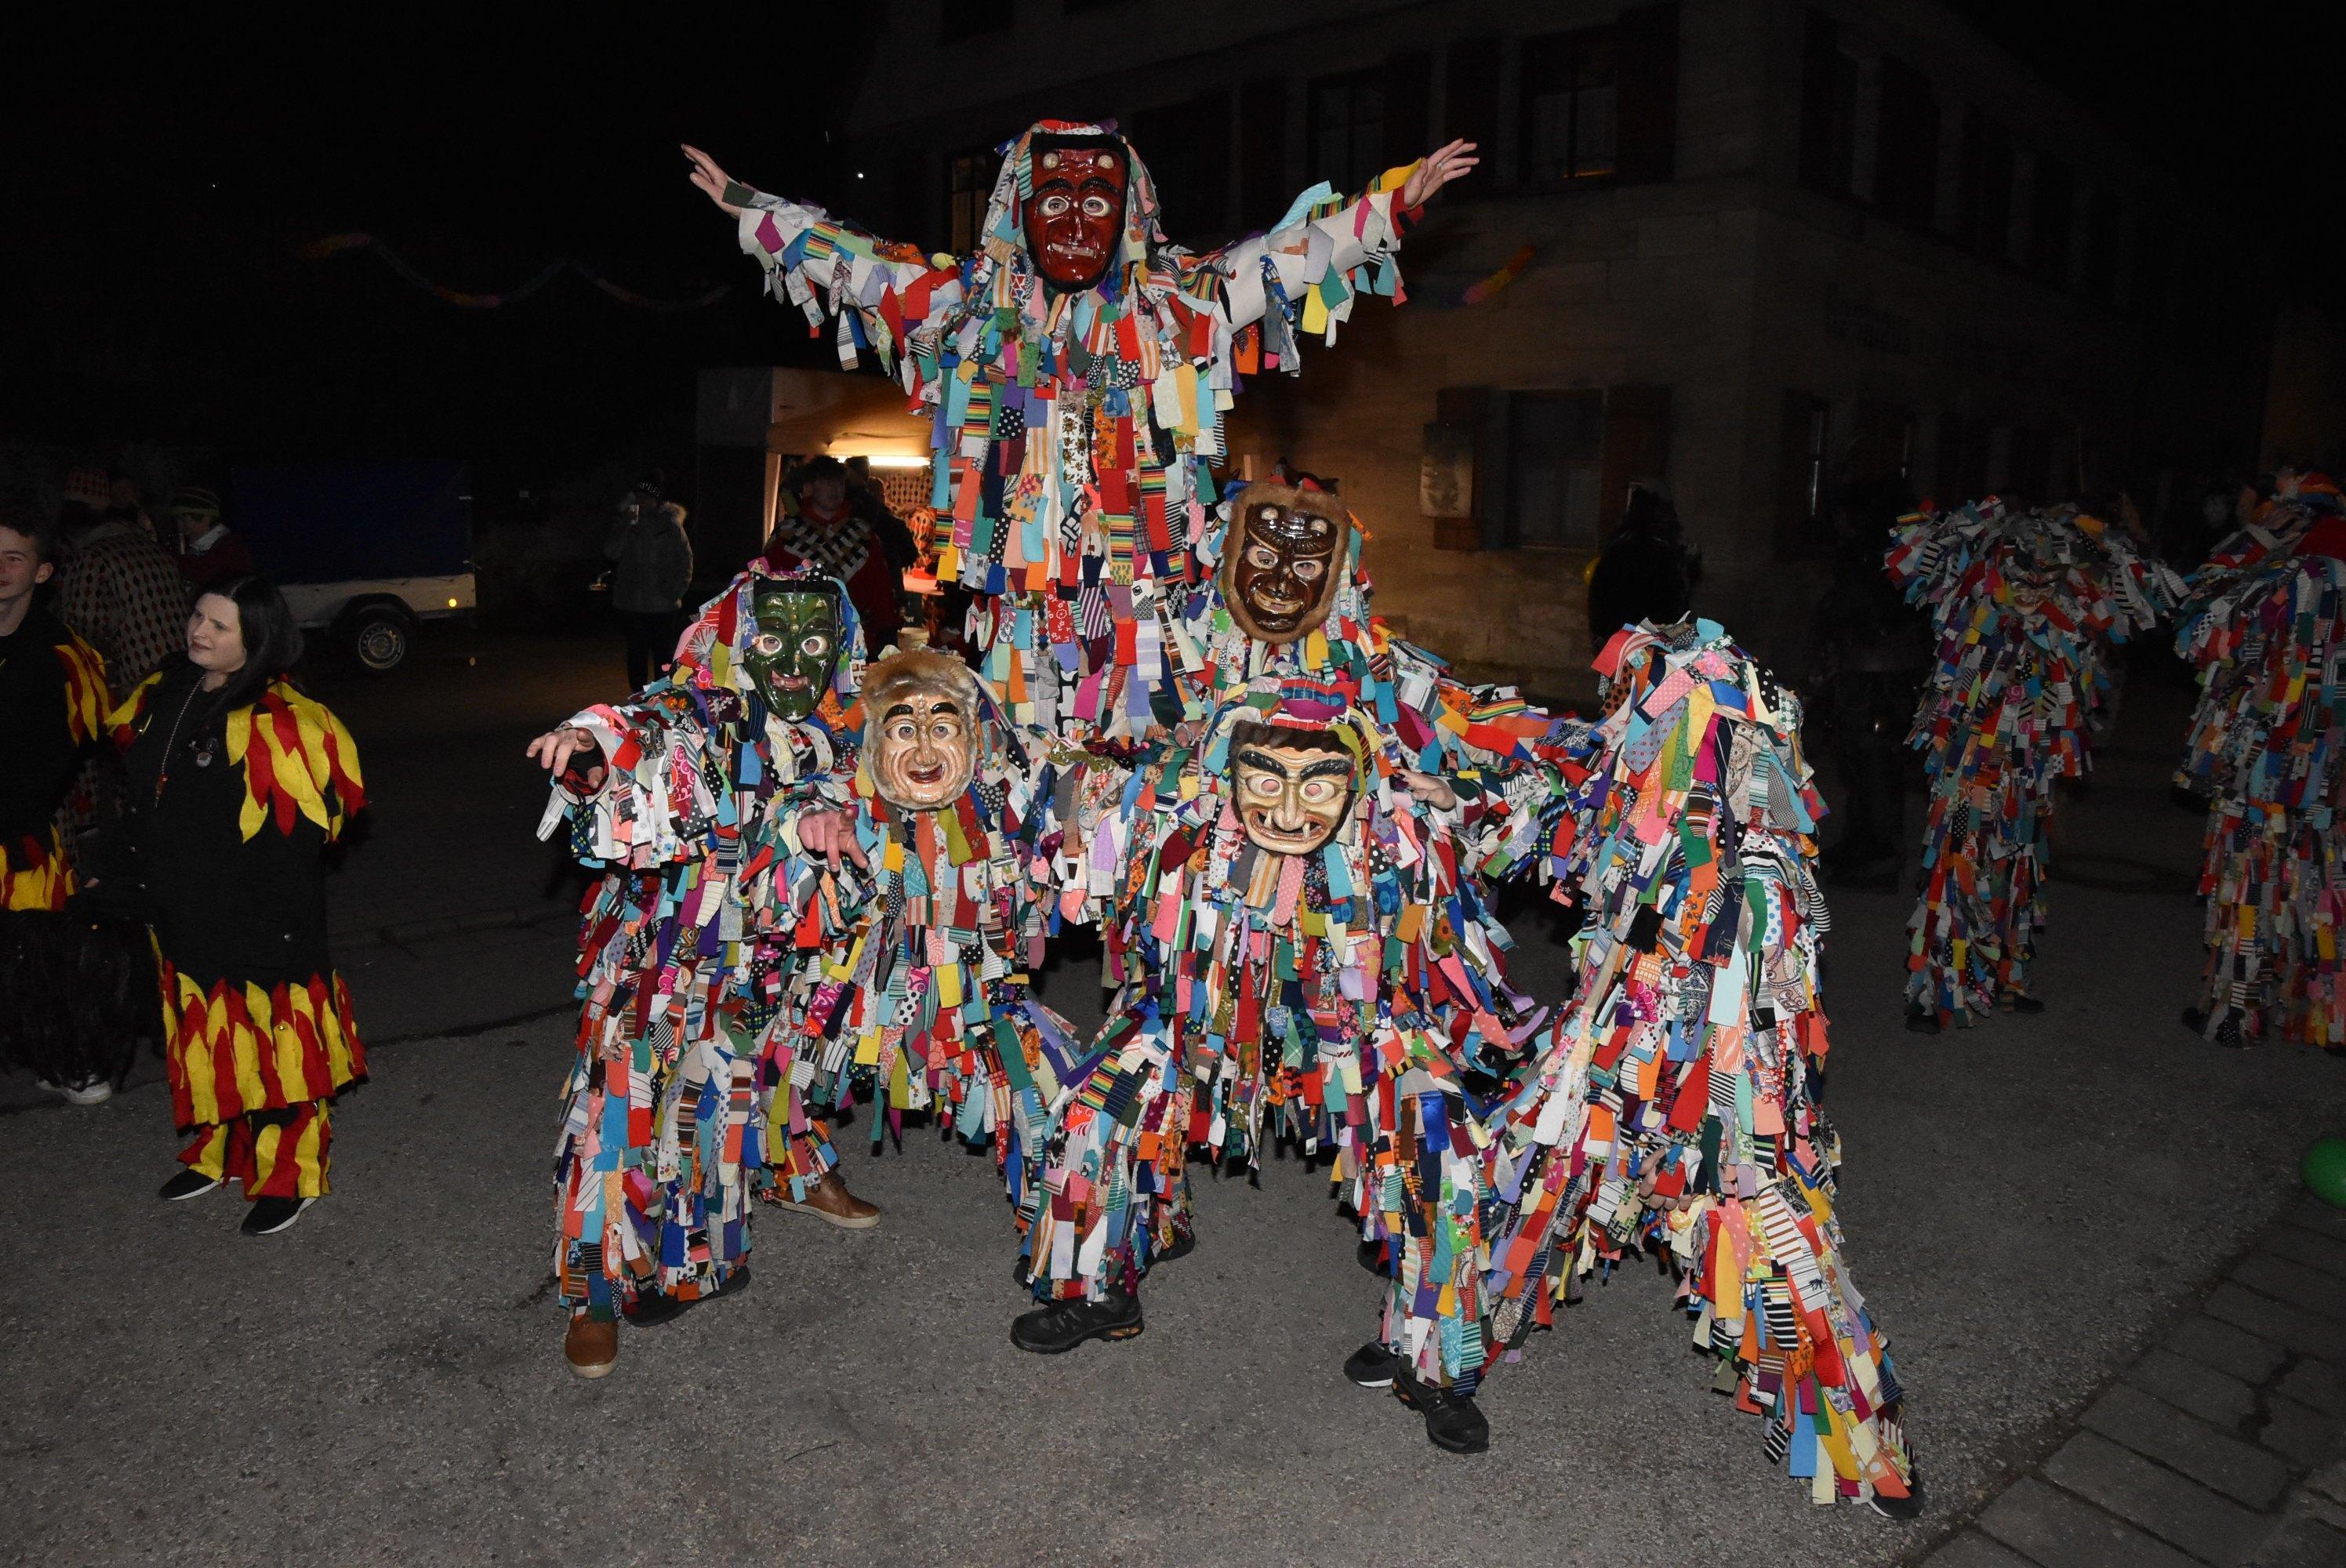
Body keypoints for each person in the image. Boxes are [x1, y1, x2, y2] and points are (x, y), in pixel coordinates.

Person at [684, 122, 1476, 743]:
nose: (1073, 219)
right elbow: (860, 264)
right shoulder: (966, 307)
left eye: (1097, 201)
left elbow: (1285, 257)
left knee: (1142, 769)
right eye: (1052, 199)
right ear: (1015, 210)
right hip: (1019, 605)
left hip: (1146, 605)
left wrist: (1394, 201)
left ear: (1129, 213)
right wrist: (757, 211)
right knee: (1019, 772)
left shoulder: (1175, 305)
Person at [1480, 618, 1922, 1515]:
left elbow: (1774, 1010)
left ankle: (1856, 1436)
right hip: (1606, 1051)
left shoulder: (1761, 865)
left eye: (1648, 720)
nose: (1627, 733)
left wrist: (1741, 1116)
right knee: (1533, 1173)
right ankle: (1457, 1335)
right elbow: (1540, 822)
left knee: (1767, 1236)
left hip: (1721, 1087)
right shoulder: (1627, 799)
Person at [528, 567, 888, 1378]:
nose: (792, 664)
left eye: (812, 640)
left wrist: (842, 811)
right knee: (618, 1104)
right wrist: (593, 747)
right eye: (769, 640)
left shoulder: (852, 718)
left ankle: (775, 1189)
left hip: (773, 955)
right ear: (732, 643)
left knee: (746, 1088)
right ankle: (594, 1291)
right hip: (662, 952)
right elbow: (649, 730)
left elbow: (884, 785)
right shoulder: (708, 709)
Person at [113, 577, 367, 1236]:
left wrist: (267, 921)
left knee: (276, 1042)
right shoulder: (164, 692)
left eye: (220, 626)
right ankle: (218, 1152)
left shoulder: (285, 719)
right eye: (198, 616)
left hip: (261, 918)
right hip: (176, 910)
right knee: (203, 1035)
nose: (200, 631)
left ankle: (290, 1174)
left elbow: (306, 837)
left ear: (256, 640)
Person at [1887, 498, 2180, 1032]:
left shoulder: (2064, 628)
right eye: (2020, 578)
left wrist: (2104, 536)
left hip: (2028, 774)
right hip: (1966, 772)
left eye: (2044, 582)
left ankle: (2002, 977)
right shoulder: (1968, 609)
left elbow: (2143, 595)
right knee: (1957, 867)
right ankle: (1938, 989)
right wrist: (1990, 522)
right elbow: (1914, 547)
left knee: (2018, 870)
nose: (2030, 592)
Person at [2174, 471, 2346, 1050]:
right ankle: (2325, 1017)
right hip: (2335, 771)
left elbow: (2198, 619)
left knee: (2250, 887)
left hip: (2265, 762)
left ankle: (2236, 1015)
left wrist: (2254, 538)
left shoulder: (2287, 577)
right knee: (2321, 889)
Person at [0, 507, 120, 1104]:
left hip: (29, 833)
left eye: (13, 558)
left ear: (42, 572)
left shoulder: (61, 657)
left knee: (47, 952)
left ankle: (72, 1060)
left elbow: (53, 762)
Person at [56, 490, 190, 702]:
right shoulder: (156, 550)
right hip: (182, 663)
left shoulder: (94, 556)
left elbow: (83, 624)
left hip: (137, 670)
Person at [761, 456, 902, 654]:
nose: (835, 489)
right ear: (810, 487)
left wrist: (887, 634)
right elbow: (770, 585)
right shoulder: (788, 534)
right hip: (800, 639)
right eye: (827, 482)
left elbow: (881, 588)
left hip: (856, 639)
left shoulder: (862, 534)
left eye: (839, 483)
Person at [603, 479, 695, 691]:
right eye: (638, 498)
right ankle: (638, 696)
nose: (642, 502)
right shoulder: (627, 523)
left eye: (646, 498)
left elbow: (685, 559)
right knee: (636, 653)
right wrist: (625, 525)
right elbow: (611, 552)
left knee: (663, 654)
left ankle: (662, 696)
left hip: (663, 604)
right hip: (632, 603)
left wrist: (676, 590)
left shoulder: (670, 525)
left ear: (656, 500)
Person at [1585, 482, 1699, 650]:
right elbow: (1666, 600)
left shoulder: (1622, 544)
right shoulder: (1644, 551)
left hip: (1625, 640)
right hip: (1638, 642)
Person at [170, 487, 253, 594]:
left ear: (205, 518)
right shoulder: (196, 548)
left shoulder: (230, 546)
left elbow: (205, 574)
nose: (180, 527)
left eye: (183, 520)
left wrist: (176, 562)